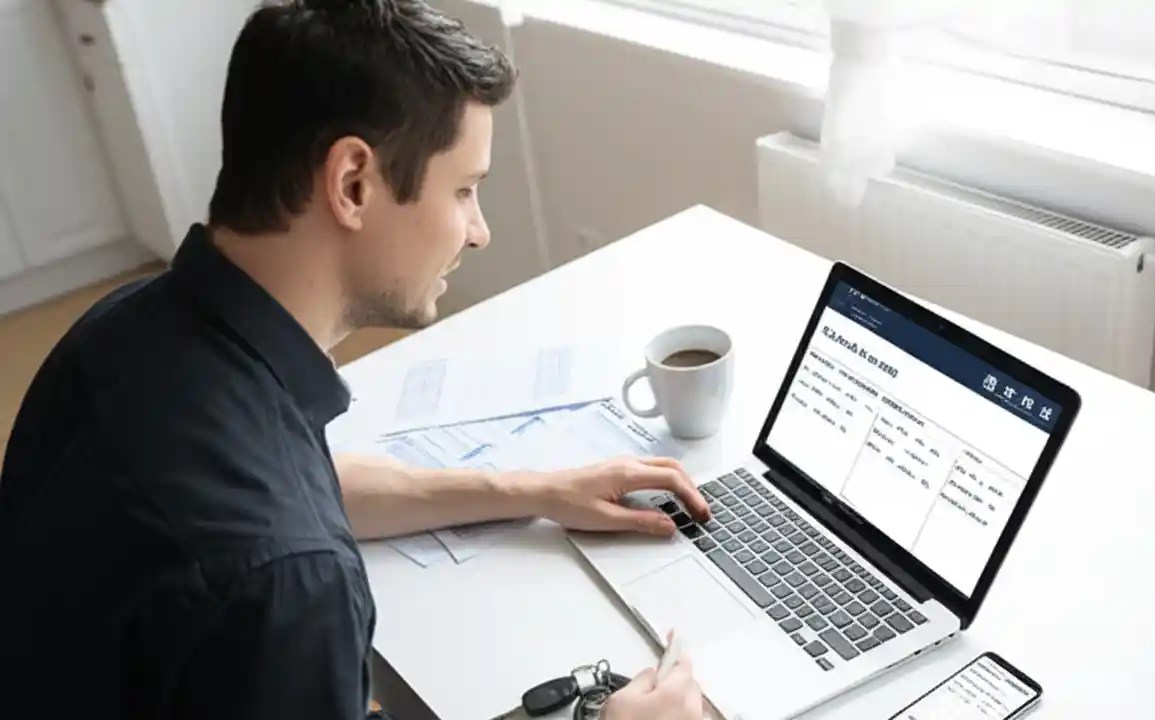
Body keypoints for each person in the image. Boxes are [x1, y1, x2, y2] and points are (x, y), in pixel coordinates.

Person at [0, 1, 709, 718]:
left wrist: (533, 490)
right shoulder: (290, 581)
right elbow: (276, 534)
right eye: (464, 190)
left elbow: (302, 485)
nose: (478, 231)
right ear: (352, 185)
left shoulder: (123, 333)